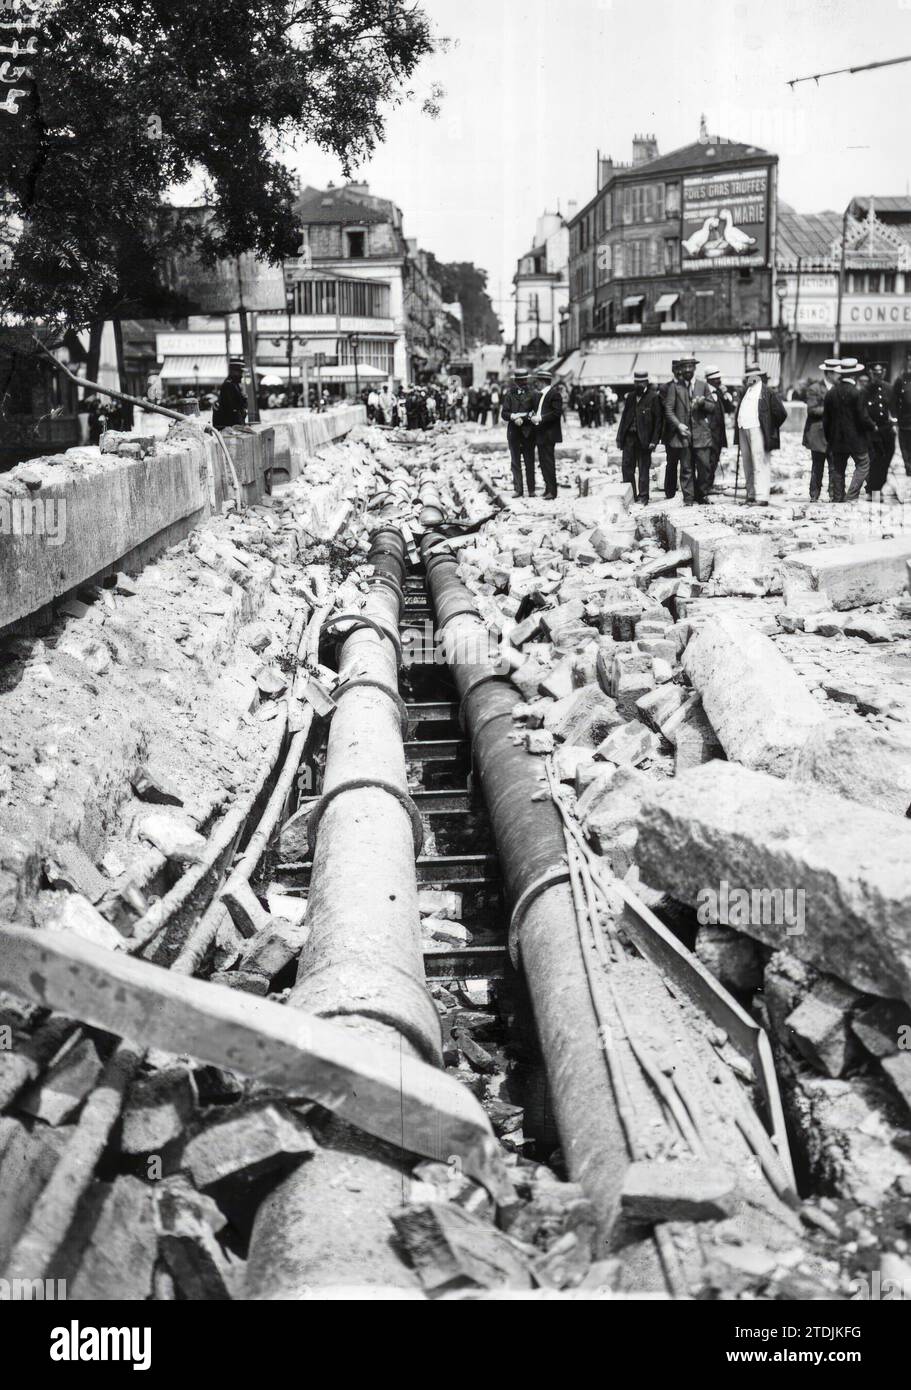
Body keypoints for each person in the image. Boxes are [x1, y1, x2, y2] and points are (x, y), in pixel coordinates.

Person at [733, 363, 788, 506]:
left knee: (760, 463)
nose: (748, 379)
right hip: (744, 429)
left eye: (751, 376)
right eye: (747, 376)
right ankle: (750, 494)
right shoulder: (747, 391)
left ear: (758, 376)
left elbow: (781, 413)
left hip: (758, 430)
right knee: (748, 464)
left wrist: (769, 428)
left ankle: (762, 497)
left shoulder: (767, 392)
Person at [823, 358, 874, 502]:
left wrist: (829, 438)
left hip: (836, 439)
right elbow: (863, 418)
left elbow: (826, 419)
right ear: (854, 375)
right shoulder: (857, 393)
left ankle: (838, 498)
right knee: (863, 464)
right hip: (856, 439)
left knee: (838, 469)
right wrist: (872, 427)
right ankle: (851, 496)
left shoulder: (831, 393)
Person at [616, 371, 663, 504]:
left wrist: (654, 441)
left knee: (643, 469)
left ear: (647, 382)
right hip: (629, 438)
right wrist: (620, 437)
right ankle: (630, 496)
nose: (639, 384)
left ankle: (643, 497)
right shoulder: (630, 397)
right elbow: (624, 418)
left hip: (645, 439)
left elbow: (658, 421)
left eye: (641, 382)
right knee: (627, 468)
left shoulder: (654, 397)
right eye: (636, 382)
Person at [661, 358, 696, 503]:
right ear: (674, 370)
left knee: (687, 465)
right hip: (672, 433)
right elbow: (666, 410)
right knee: (671, 464)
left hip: (688, 433)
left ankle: (688, 495)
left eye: (680, 368)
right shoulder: (667, 387)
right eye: (677, 369)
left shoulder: (690, 386)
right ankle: (670, 493)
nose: (680, 371)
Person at [501, 368, 538, 497]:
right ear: (515, 381)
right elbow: (504, 413)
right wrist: (513, 417)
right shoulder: (509, 395)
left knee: (530, 462)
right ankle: (518, 489)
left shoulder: (533, 394)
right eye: (520, 380)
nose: (523, 382)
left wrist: (526, 417)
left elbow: (536, 413)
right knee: (515, 463)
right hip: (514, 433)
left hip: (529, 433)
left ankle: (531, 489)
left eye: (524, 379)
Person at [803, 364, 838, 501]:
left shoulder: (838, 388)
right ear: (829, 373)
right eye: (836, 373)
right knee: (817, 466)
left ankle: (833, 494)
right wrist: (832, 409)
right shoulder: (814, 388)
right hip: (818, 434)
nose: (839, 376)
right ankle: (814, 494)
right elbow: (812, 410)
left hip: (834, 434)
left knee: (834, 466)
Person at [862, 362, 896, 502]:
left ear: (884, 373)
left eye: (880, 373)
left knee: (886, 459)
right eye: (875, 373)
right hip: (871, 431)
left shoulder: (889, 388)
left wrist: (894, 422)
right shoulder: (865, 391)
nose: (877, 376)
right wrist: (870, 425)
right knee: (874, 460)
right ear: (870, 373)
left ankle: (877, 486)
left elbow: (893, 408)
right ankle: (873, 490)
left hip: (886, 429)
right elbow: (862, 412)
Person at [531, 368, 563, 500]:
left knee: (549, 462)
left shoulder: (554, 394)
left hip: (549, 435)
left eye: (537, 381)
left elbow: (556, 413)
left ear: (543, 381)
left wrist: (541, 418)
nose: (536, 384)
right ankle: (547, 488)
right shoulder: (540, 395)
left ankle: (552, 491)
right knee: (543, 462)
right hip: (541, 433)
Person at [891, 354, 911, 476]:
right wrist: (895, 418)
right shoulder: (900, 380)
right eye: (909, 361)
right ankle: (908, 466)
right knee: (904, 447)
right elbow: (894, 400)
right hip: (904, 421)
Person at [213, 358, 248, 428]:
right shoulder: (228, 385)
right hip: (230, 425)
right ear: (233, 371)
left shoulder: (234, 384)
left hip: (233, 424)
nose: (241, 375)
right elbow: (232, 408)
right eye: (240, 372)